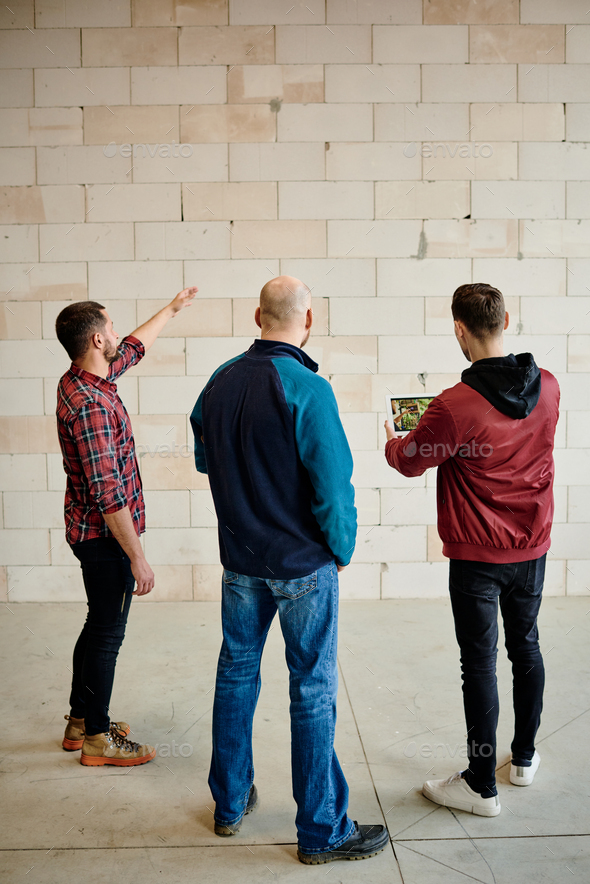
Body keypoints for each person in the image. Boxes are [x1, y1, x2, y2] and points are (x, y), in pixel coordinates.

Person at [190, 276, 389, 864]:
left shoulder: (219, 381)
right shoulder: (309, 388)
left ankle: (228, 805)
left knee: (235, 674)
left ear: (257, 315)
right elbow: (333, 488)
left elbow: (206, 456)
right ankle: (322, 830)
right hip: (301, 563)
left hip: (240, 563)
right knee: (312, 688)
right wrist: (342, 548)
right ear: (310, 320)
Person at [384, 283, 559, 817]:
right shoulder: (549, 386)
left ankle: (481, 784)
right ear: (507, 317)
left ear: (459, 329)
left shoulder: (454, 406)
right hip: (533, 547)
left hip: (478, 558)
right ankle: (523, 759)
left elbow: (409, 459)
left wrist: (394, 434)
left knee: (478, 663)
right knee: (525, 647)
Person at [55, 287, 197, 766]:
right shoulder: (92, 406)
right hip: (105, 538)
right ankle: (97, 738)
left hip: (90, 532)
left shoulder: (81, 381)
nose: (118, 333)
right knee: (107, 635)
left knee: (97, 624)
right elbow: (108, 492)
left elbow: (132, 349)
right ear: (96, 340)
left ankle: (80, 720)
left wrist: (172, 308)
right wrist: (137, 556)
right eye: (111, 326)